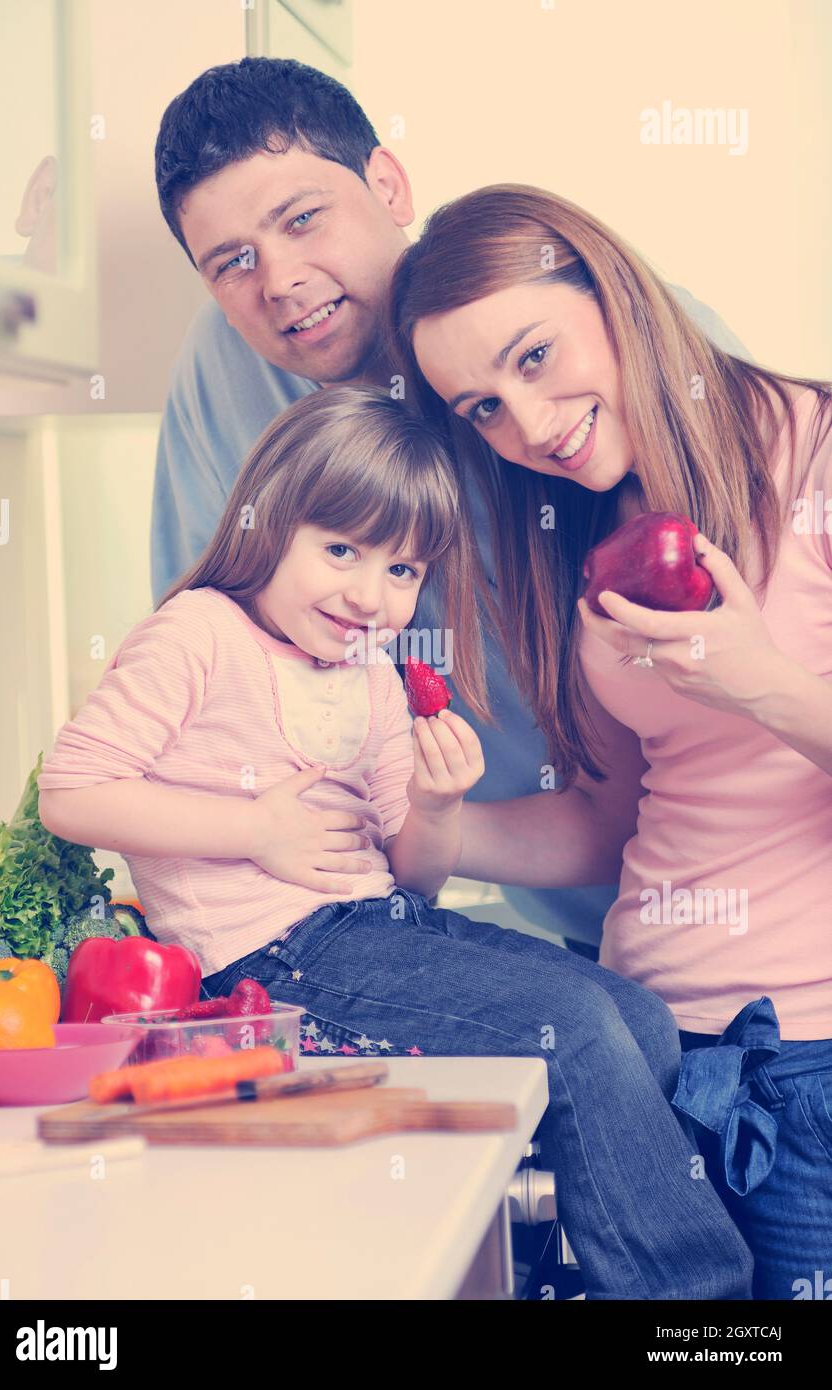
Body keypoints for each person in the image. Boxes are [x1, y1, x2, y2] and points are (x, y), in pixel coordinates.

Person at [37, 384, 753, 1300]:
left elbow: (412, 881)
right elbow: (73, 790)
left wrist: (438, 802)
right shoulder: (199, 634)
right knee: (574, 1029)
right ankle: (698, 1310)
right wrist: (257, 828)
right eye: (340, 549)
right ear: (268, 522)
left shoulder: (371, 677)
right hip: (268, 962)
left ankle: (569, 1260)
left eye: (403, 571)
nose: (369, 594)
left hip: (379, 930)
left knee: (644, 1021)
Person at [150, 54, 752, 954]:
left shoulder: (579, 322)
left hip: (765, 893)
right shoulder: (226, 368)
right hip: (579, 920)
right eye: (232, 263)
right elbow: (209, 667)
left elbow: (771, 638)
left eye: (304, 218)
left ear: (387, 184)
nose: (278, 281)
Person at [387, 182, 832, 1299]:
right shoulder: (577, 536)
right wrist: (425, 819)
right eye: (480, 407)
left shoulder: (816, 447)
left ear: (612, 289)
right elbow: (603, 821)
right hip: (643, 1058)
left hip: (807, 1058)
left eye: (532, 357)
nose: (527, 426)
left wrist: (762, 685)